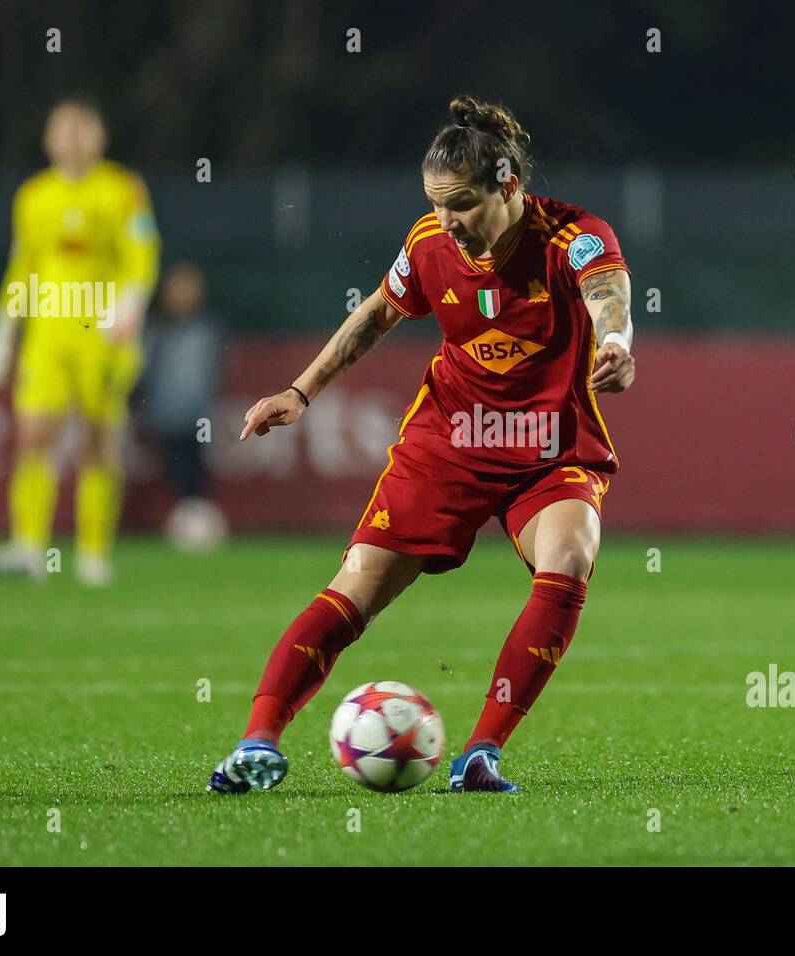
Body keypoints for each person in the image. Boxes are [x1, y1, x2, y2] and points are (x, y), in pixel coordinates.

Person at [207, 94, 635, 795]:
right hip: (450, 444)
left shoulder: (573, 236)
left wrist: (616, 342)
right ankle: (257, 743)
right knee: (356, 589)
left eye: (461, 204)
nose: (447, 222)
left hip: (550, 452)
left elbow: (608, 289)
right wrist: (300, 391)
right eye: (436, 204)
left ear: (509, 185)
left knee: (570, 556)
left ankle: (480, 754)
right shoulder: (429, 246)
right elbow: (377, 313)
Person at [0, 98, 161, 586]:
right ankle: (28, 545)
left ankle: (93, 552)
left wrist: (130, 306)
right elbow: (24, 266)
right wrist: (2, 328)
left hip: (103, 335)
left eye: (84, 128)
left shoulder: (123, 188)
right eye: (64, 129)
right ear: (48, 140)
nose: (74, 137)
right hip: (48, 335)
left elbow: (142, 255)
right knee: (35, 435)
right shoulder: (33, 196)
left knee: (100, 441)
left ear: (101, 137)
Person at [138, 261, 228, 551]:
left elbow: (217, 369)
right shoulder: (155, 331)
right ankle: (188, 523)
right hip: (163, 414)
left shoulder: (207, 330)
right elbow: (141, 372)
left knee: (195, 469)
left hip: (198, 415)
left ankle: (197, 524)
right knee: (174, 470)